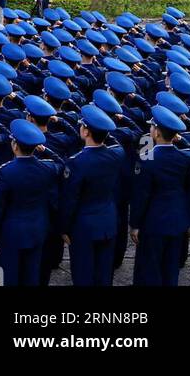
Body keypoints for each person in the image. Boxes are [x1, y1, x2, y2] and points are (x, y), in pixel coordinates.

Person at [0, 119, 62, 286]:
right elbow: (60, 163)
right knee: (32, 275)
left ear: (14, 146)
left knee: (4, 276)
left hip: (10, 232)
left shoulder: (4, 172)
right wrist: (46, 151)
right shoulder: (47, 169)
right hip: (37, 228)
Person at [130, 106, 190, 286]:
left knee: (149, 271)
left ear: (157, 132)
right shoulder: (186, 157)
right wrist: (180, 140)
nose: (150, 130)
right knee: (170, 269)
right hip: (178, 219)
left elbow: (141, 196)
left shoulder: (147, 159)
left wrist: (135, 224)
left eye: (152, 127)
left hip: (153, 221)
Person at [60, 105, 124, 286]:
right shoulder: (115, 155)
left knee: (83, 275)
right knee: (104, 275)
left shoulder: (76, 163)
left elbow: (70, 199)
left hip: (84, 226)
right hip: (108, 221)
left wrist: (64, 227)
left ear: (86, 131)